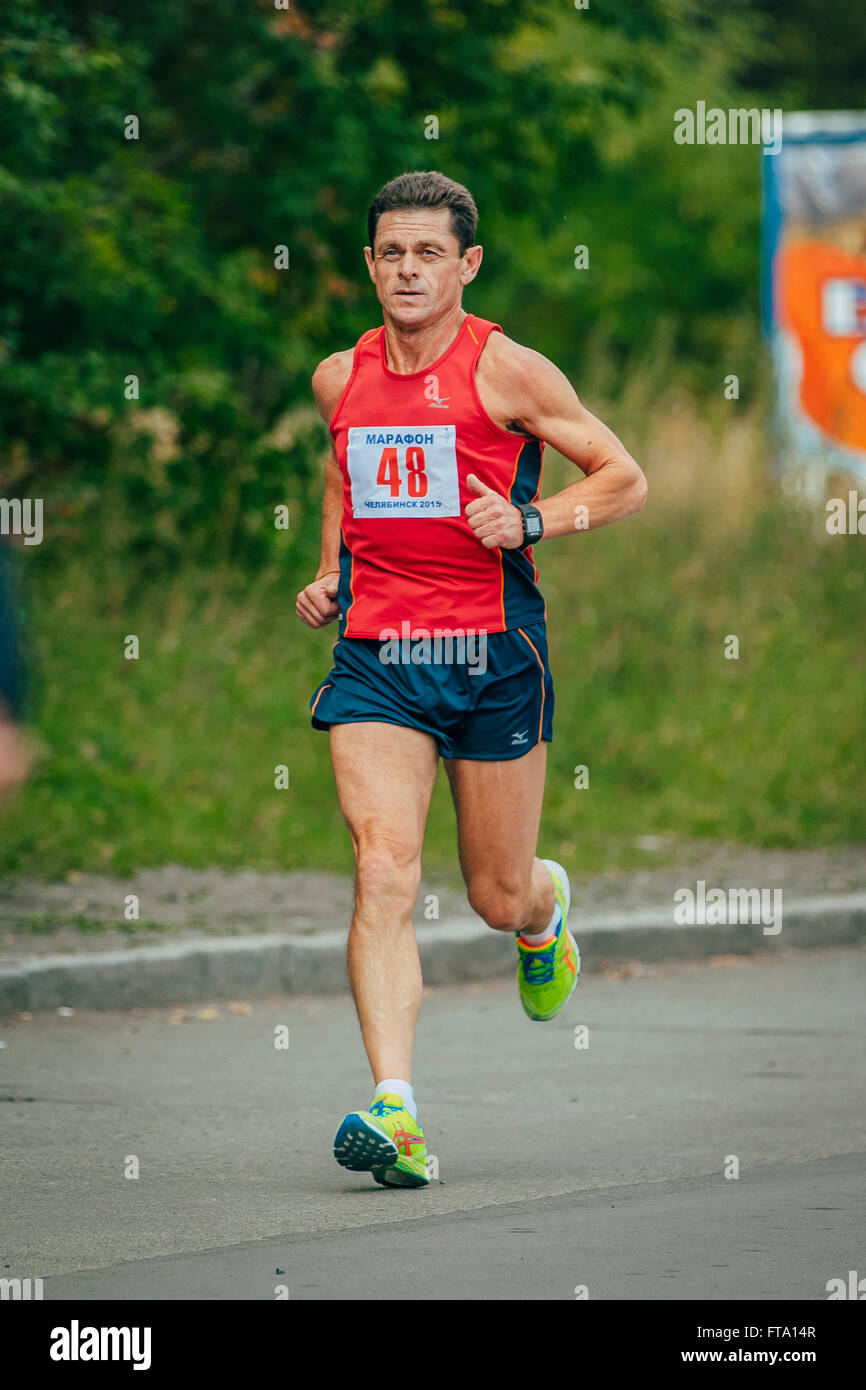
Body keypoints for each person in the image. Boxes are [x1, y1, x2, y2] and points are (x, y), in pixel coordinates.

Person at [297, 171, 647, 1187]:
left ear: (466, 264)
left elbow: (622, 476)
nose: (408, 271)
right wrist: (330, 571)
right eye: (390, 253)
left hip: (492, 652)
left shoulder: (507, 372)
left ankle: (543, 916)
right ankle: (394, 1108)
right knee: (383, 864)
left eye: (428, 254)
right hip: (378, 659)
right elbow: (339, 473)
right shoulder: (339, 377)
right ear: (369, 263)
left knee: (493, 893)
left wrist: (535, 519)